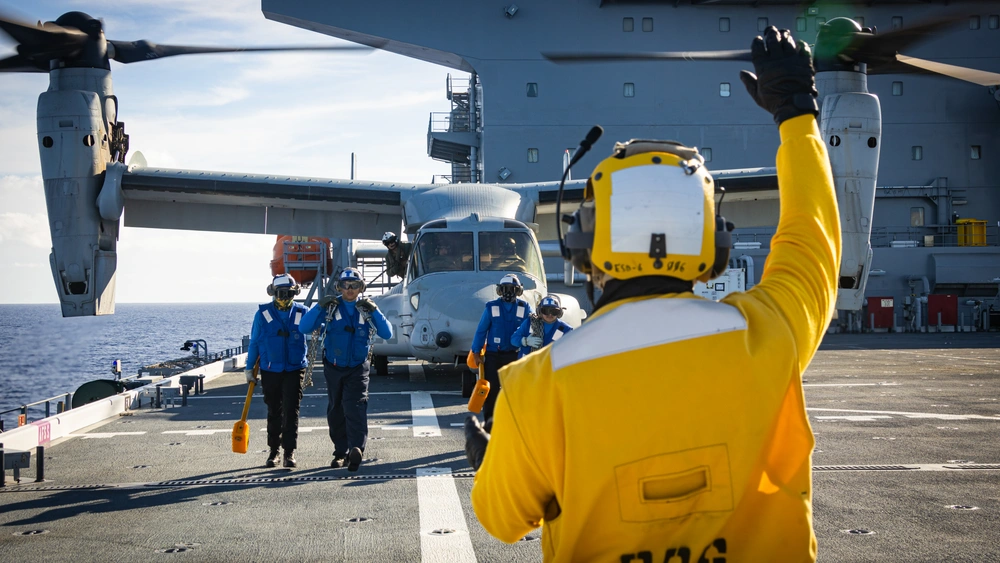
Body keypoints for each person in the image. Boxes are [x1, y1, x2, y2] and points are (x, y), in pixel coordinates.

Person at [465, 27, 841, 561]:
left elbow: (501, 520)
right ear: (714, 244)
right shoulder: (769, 334)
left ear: (584, 246)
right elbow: (814, 238)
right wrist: (797, 116)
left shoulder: (536, 389)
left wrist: (489, 462)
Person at [300, 267, 392, 471]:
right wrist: (318, 307)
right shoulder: (331, 308)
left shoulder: (366, 309)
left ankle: (355, 449)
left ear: (361, 287)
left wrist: (375, 310)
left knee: (356, 407)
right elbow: (304, 328)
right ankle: (340, 452)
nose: (350, 290)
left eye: (355, 286)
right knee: (336, 410)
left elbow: (387, 333)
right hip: (334, 366)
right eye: (345, 285)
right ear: (339, 287)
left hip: (358, 367)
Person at [245, 274, 310, 469]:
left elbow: (319, 328)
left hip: (294, 368)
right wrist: (250, 368)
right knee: (274, 411)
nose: (284, 297)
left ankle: (289, 452)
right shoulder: (262, 314)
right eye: (280, 293)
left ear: (294, 293)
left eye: (288, 293)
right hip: (270, 369)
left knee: (291, 411)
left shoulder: (303, 312)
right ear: (273, 293)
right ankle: (274, 452)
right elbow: (255, 342)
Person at [469, 274, 532, 422]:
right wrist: (476, 351)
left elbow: (532, 328)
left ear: (519, 291)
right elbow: (481, 330)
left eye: (512, 289)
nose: (508, 292)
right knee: (491, 390)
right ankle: (490, 422)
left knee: (514, 390)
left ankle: (512, 422)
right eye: (505, 289)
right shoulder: (491, 307)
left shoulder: (525, 307)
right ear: (500, 290)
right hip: (493, 356)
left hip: (515, 356)